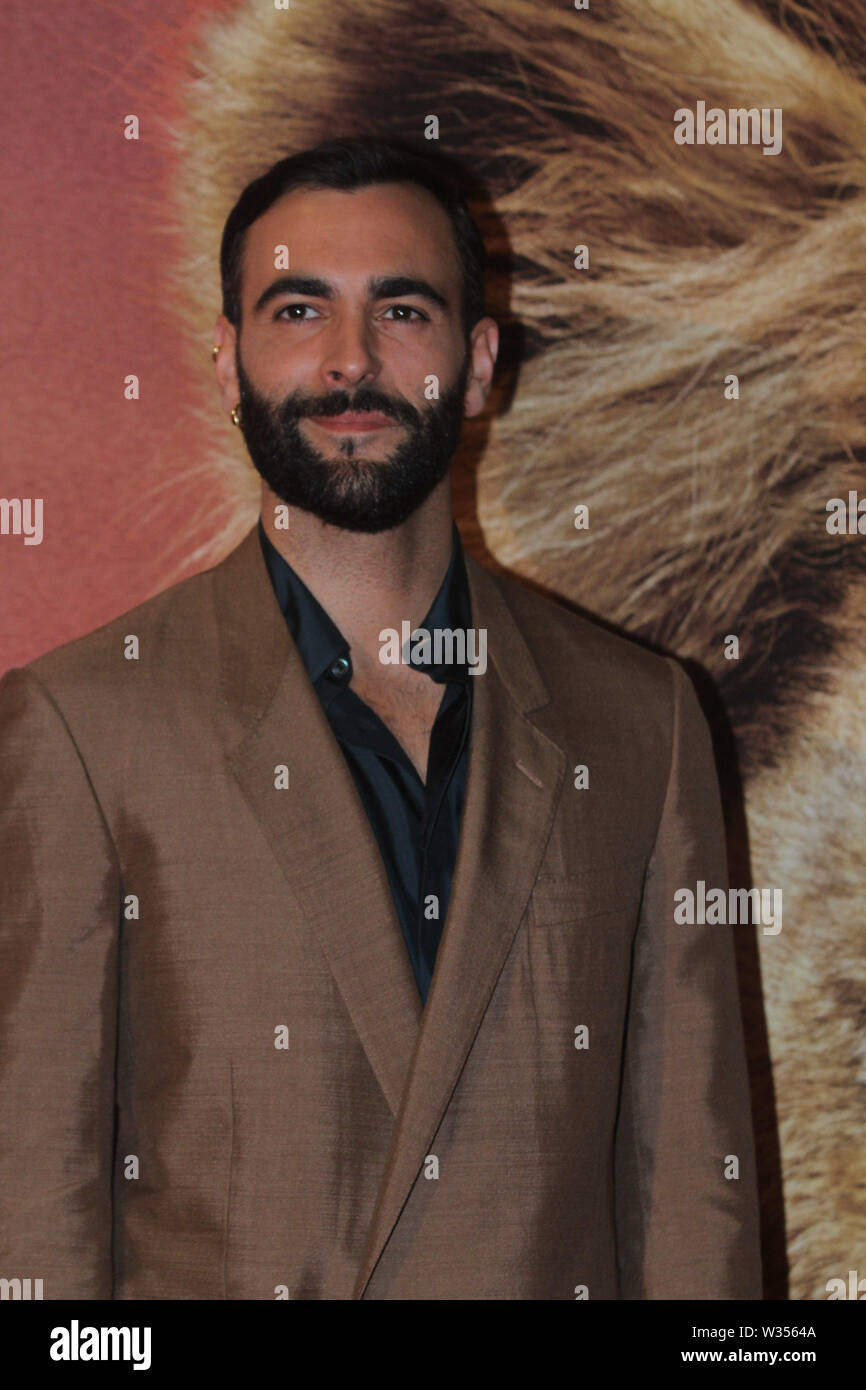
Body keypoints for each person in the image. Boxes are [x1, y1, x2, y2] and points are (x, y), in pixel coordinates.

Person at [0, 137, 762, 1300]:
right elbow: (31, 1228)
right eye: (298, 309)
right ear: (225, 360)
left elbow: (692, 1209)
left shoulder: (640, 724)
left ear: (475, 363)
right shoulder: (81, 728)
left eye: (400, 310)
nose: (349, 361)